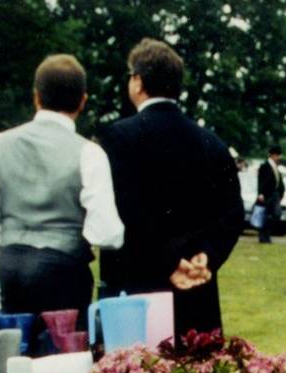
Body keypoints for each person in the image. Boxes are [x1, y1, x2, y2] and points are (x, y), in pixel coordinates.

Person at [0, 55, 124, 346]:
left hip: (10, 267)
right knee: (64, 370)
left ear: (36, 97)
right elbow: (108, 233)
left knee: (12, 361)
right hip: (63, 272)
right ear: (82, 101)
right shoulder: (89, 153)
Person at [99, 38, 244, 337]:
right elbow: (232, 212)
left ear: (137, 82)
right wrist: (208, 255)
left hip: (138, 291)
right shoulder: (212, 144)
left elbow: (123, 213)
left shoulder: (118, 139)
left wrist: (168, 262)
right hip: (197, 288)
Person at [257, 145, 285, 243]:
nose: (279, 158)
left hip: (275, 194)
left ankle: (267, 234)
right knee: (266, 215)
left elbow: (279, 181)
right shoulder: (265, 166)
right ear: (273, 155)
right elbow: (261, 181)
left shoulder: (276, 167)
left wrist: (281, 192)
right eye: (278, 155)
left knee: (276, 214)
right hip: (267, 194)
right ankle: (263, 236)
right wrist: (260, 193)